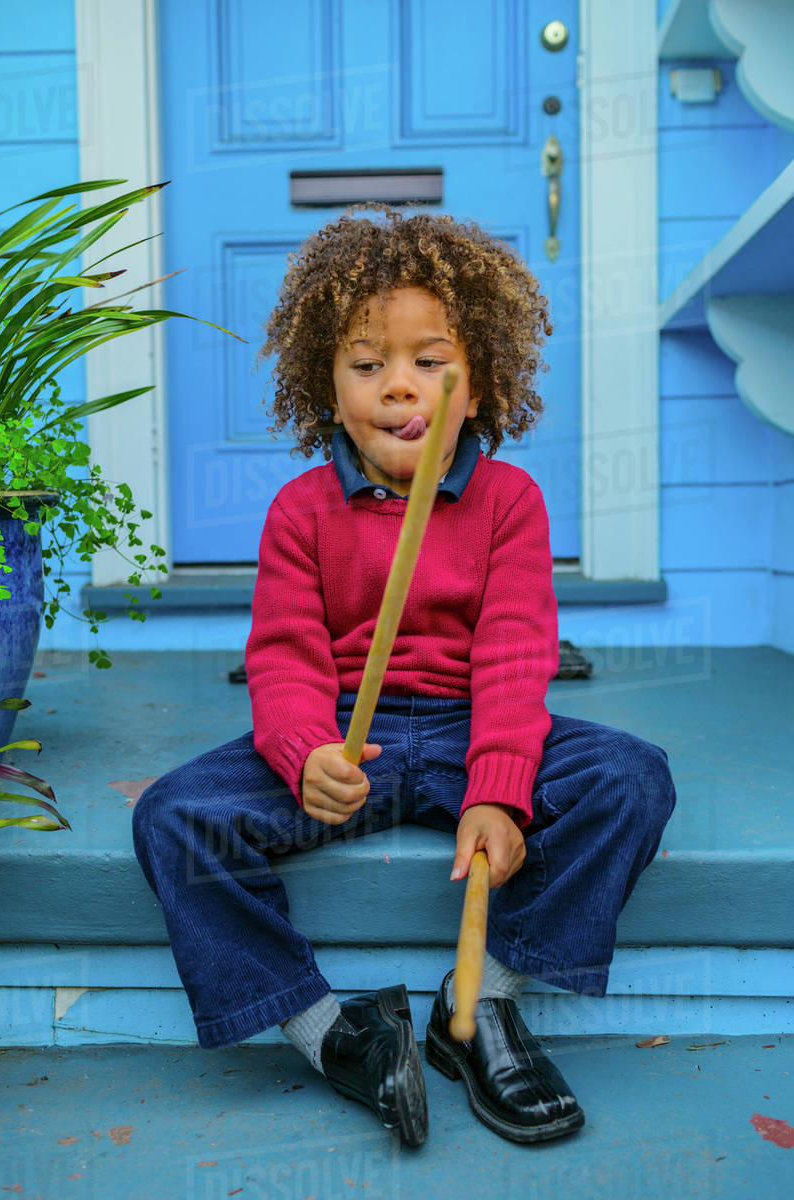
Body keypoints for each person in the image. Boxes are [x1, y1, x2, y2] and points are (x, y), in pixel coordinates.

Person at [132, 204, 676, 1148]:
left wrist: (501, 790)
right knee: (173, 819)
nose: (399, 388)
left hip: (474, 729)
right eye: (366, 362)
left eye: (430, 362)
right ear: (325, 383)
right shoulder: (301, 512)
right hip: (352, 737)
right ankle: (330, 1033)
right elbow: (285, 656)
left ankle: (482, 1006)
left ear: (479, 382)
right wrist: (305, 754)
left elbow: (513, 653)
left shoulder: (509, 501)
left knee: (631, 778)